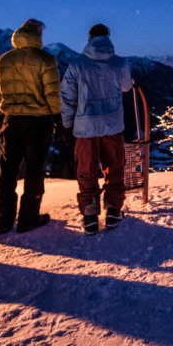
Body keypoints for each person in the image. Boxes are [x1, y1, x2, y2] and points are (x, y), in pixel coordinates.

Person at [0, 18, 62, 234]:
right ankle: (28, 218)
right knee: (34, 169)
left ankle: (4, 220)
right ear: (38, 33)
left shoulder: (3, 60)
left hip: (11, 121)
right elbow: (52, 93)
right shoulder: (45, 59)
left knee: (7, 170)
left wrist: (4, 111)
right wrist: (57, 117)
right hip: (38, 122)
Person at [60, 23, 133, 235]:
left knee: (86, 170)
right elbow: (126, 87)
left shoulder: (76, 65)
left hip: (85, 127)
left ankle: (90, 215)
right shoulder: (120, 63)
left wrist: (67, 124)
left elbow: (66, 97)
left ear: (89, 38)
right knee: (115, 167)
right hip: (112, 125)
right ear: (108, 37)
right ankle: (113, 210)